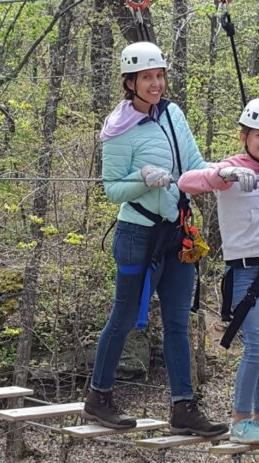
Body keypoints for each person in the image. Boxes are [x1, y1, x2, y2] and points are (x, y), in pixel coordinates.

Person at [82, 42, 227, 437]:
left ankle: (184, 407)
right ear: (130, 83)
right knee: (126, 317)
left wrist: (224, 174)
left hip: (177, 233)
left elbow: (194, 167)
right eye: (147, 77)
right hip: (137, 233)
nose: (155, 84)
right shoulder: (117, 130)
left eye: (159, 76)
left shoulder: (173, 114)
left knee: (179, 321)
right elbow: (111, 190)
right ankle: (98, 397)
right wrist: (142, 179)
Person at [178, 98, 259, 444]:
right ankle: (240, 418)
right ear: (245, 136)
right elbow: (187, 181)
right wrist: (225, 174)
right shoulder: (230, 170)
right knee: (257, 344)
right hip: (245, 270)